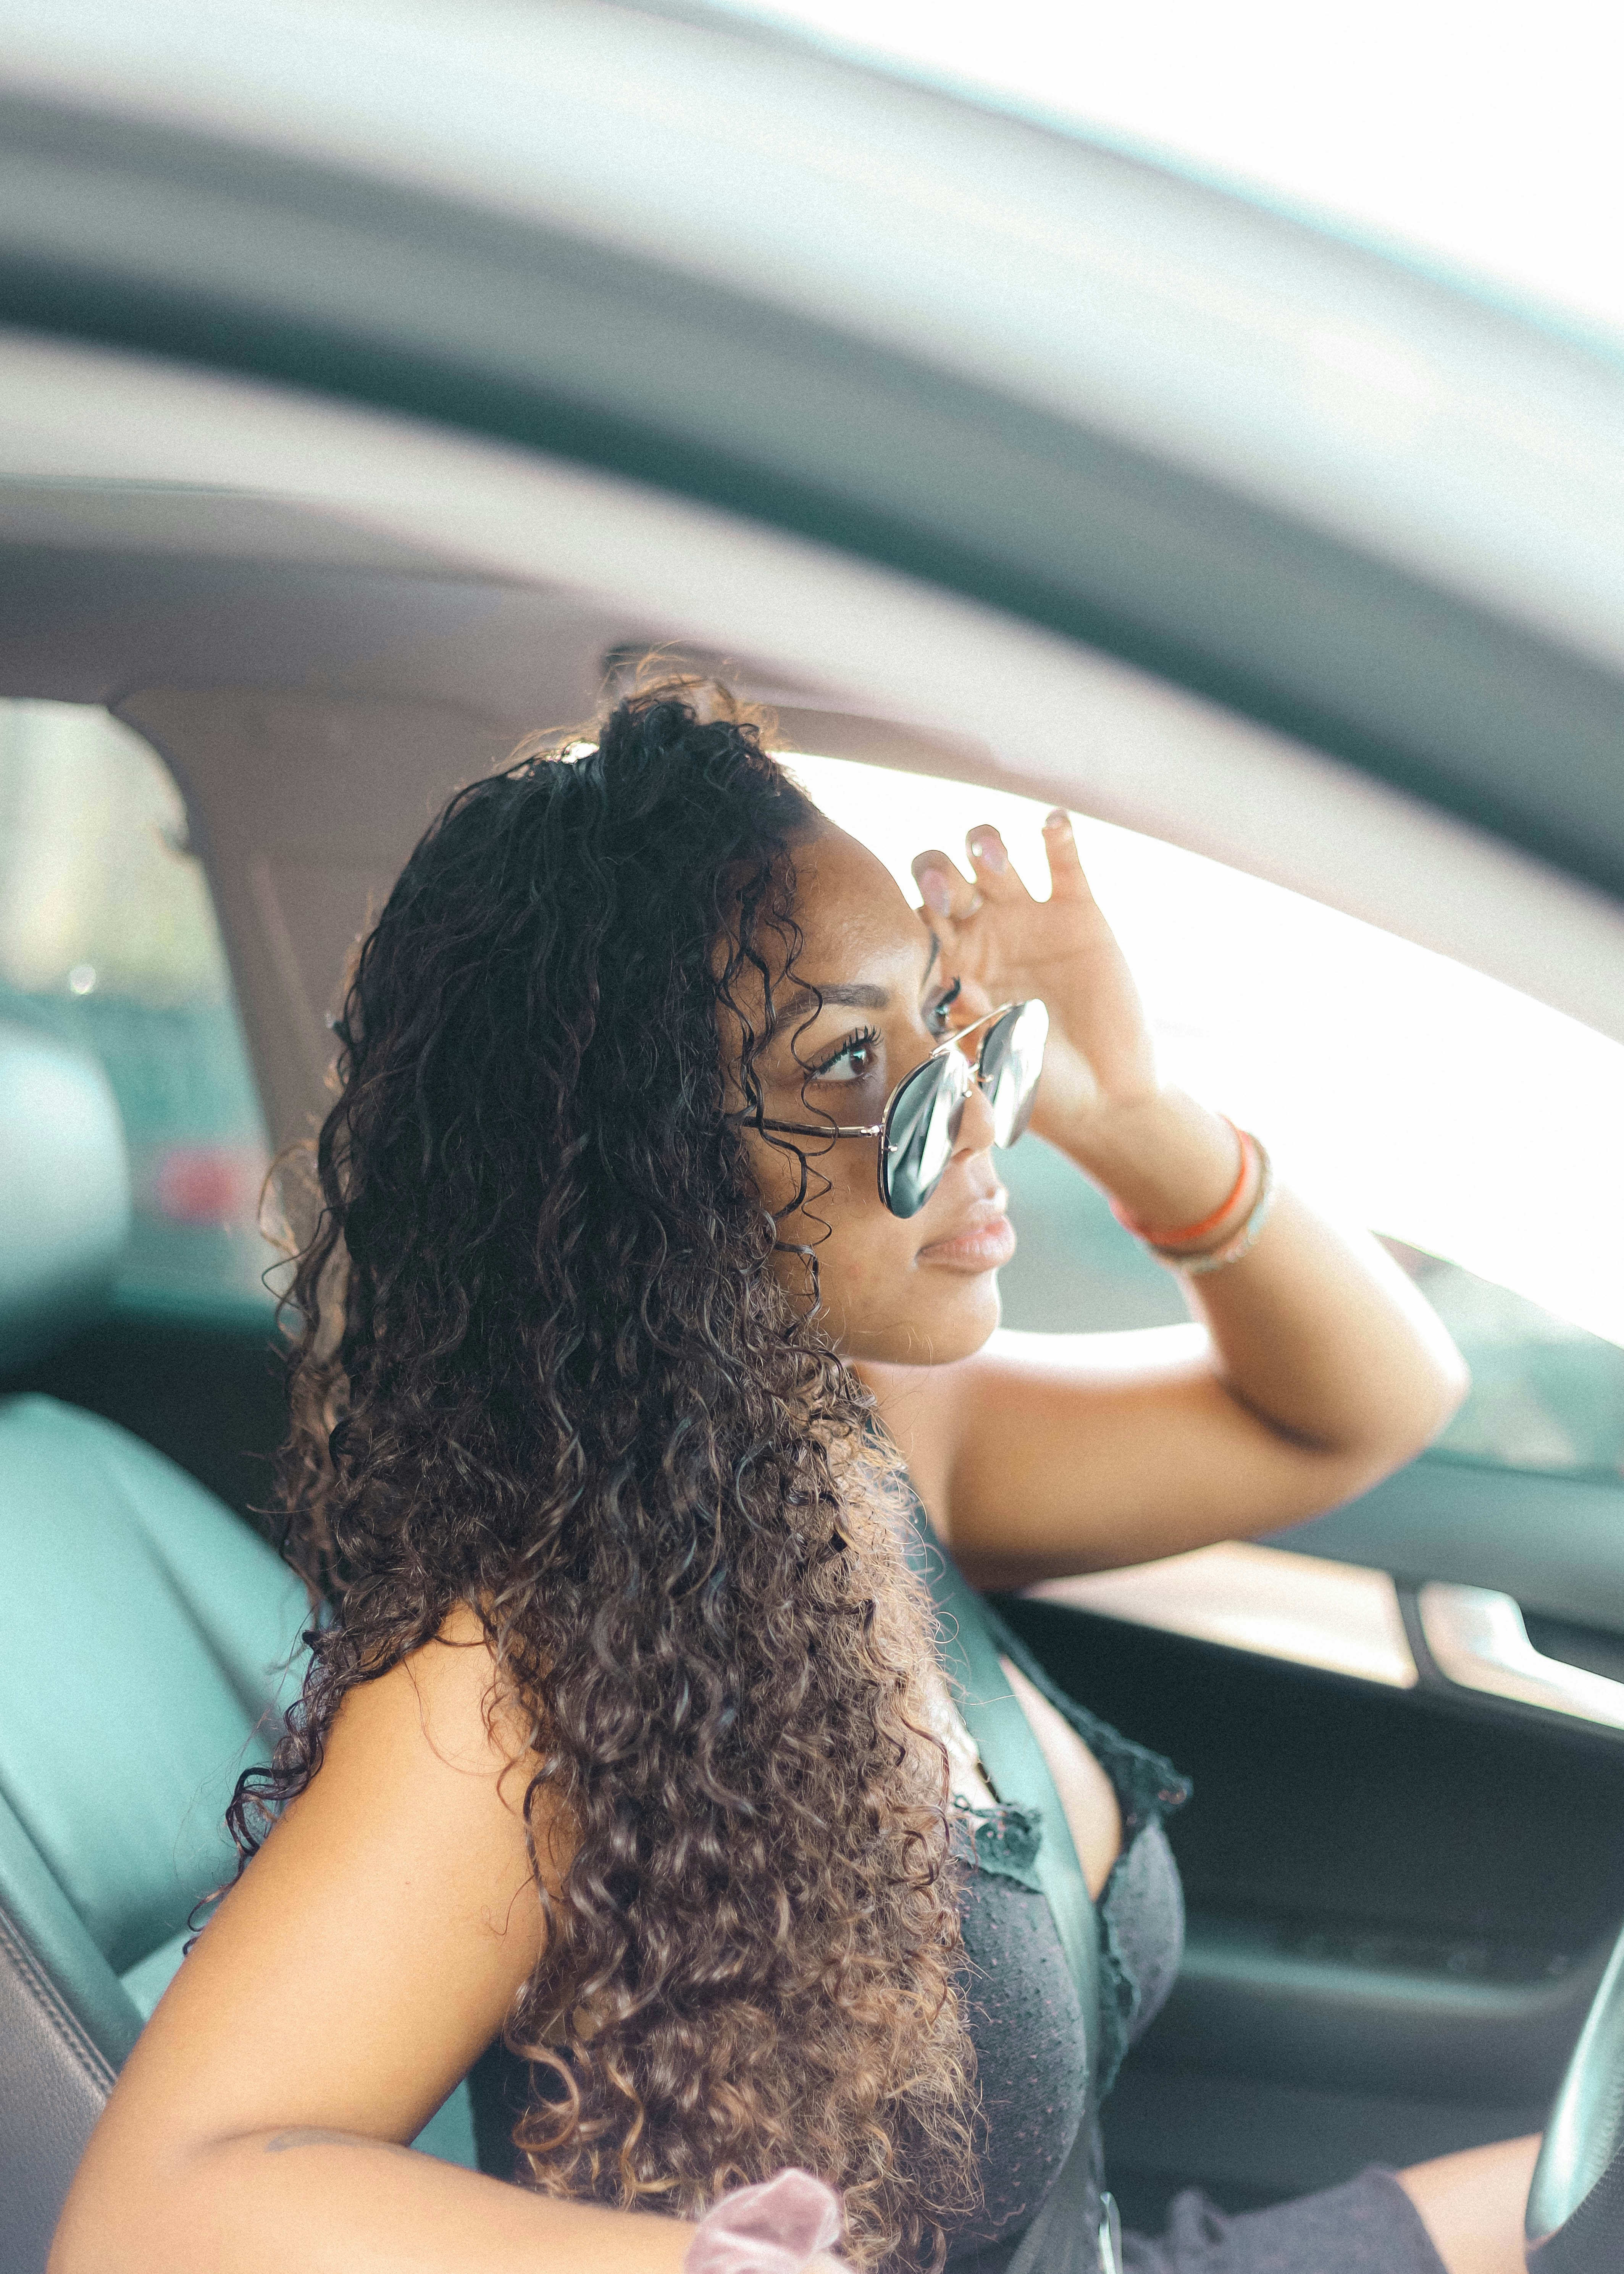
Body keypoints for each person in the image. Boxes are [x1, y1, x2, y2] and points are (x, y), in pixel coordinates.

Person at [52, 683, 1538, 2274]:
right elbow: (157, 2215)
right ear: (639, 1164)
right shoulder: (523, 1682)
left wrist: (1135, 1123)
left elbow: (1365, 1408)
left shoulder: (878, 1448)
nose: (964, 1113)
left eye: (954, 1031)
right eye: (848, 1063)